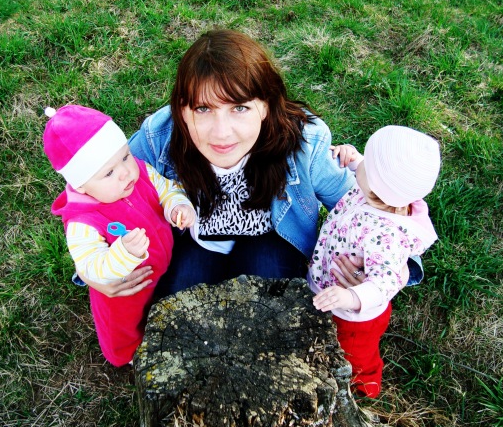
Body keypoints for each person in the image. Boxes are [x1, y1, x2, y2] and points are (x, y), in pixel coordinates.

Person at [79, 29, 421, 301]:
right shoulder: (160, 136)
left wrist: (378, 270)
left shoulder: (304, 141)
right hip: (195, 241)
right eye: (203, 109)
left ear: (266, 105)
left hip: (271, 240)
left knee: (269, 286)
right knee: (179, 294)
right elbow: (93, 195)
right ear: (182, 108)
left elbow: (366, 203)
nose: (221, 133)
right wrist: (92, 271)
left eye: (239, 108)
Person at [43, 104, 195, 366]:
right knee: (125, 325)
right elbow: (91, 266)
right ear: (81, 185)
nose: (125, 172)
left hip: (160, 265)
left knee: (161, 299)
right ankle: (130, 355)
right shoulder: (83, 223)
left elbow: (166, 188)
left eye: (125, 156)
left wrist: (176, 205)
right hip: (125, 289)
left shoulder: (139, 173)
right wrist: (122, 255)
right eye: (109, 172)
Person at [308, 125, 441, 398]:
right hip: (329, 285)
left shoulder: (386, 235)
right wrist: (353, 158)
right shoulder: (381, 193)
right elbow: (367, 170)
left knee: (354, 354)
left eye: (367, 164)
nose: (362, 165)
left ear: (377, 191)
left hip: (353, 316)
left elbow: (384, 284)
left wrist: (351, 298)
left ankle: (365, 385)